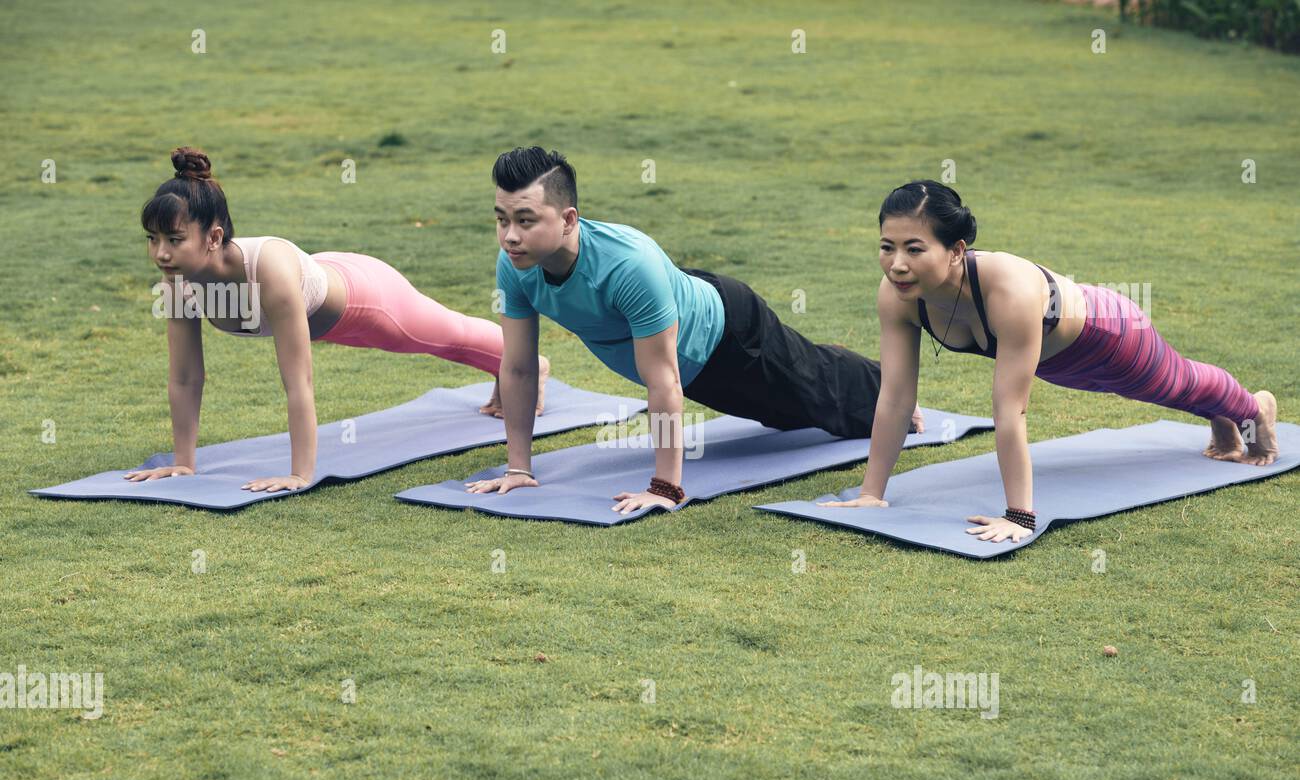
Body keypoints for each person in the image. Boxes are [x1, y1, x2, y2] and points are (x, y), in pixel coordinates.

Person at [466, 146, 924, 514]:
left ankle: (890, 395)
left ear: (568, 220)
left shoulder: (626, 265)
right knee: (782, 416)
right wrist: (518, 468)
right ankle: (863, 381)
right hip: (686, 328)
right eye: (502, 219)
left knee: (814, 401)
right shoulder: (515, 266)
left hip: (730, 337)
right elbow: (521, 368)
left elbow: (662, 380)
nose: (509, 236)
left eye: (525, 220)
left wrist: (665, 487)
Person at [820, 180, 1279, 544]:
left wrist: (1019, 516)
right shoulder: (899, 296)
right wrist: (870, 495)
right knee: (1169, 390)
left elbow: (1010, 411)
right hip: (1055, 361)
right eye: (887, 246)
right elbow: (897, 397)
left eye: (914, 249)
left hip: (1110, 334)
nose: (896, 264)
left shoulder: (1008, 289)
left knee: (1173, 382)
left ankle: (1252, 410)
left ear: (956, 250)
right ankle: (1220, 417)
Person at [125, 146, 548, 493]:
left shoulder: (267, 269)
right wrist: (182, 464)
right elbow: (185, 378)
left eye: (174, 240)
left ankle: (533, 366)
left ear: (213, 237)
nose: (160, 253)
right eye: (153, 239)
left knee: (447, 336)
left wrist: (299, 474)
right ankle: (504, 369)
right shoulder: (177, 283)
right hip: (320, 281)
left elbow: (298, 381)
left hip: (367, 299)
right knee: (449, 338)